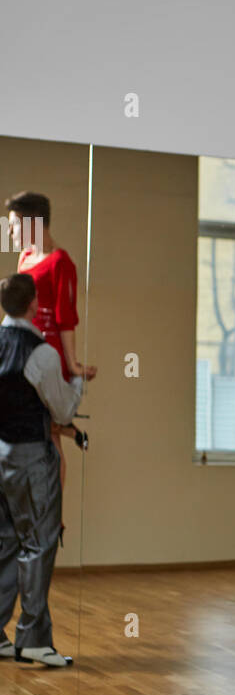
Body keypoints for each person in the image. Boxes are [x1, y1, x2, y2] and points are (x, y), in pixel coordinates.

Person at [0, 272, 90, 668]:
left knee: (4, 543)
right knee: (38, 543)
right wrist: (77, 379)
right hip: (31, 457)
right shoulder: (42, 353)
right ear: (35, 303)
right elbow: (63, 410)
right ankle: (33, 640)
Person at [6, 191, 95, 527]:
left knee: (49, 439)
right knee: (34, 430)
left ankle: (50, 517)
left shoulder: (61, 262)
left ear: (32, 223)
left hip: (48, 355)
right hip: (23, 352)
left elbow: (66, 316)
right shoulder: (25, 258)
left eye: (14, 225)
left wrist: (71, 365)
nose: (11, 233)